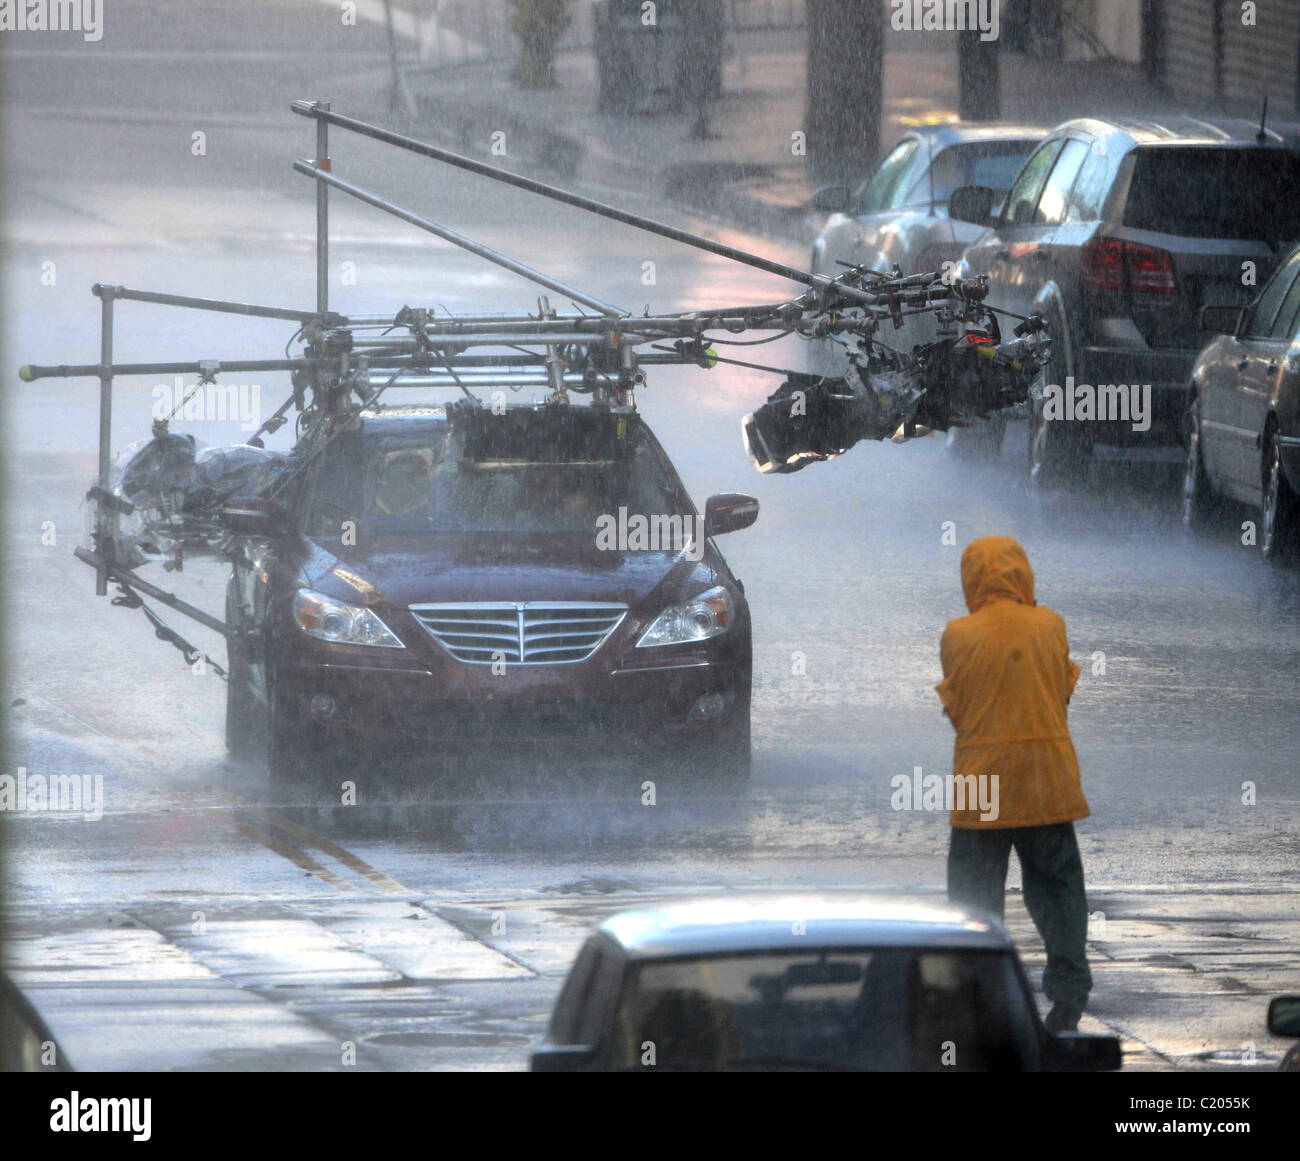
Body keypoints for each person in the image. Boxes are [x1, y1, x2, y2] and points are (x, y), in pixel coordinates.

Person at [935, 536, 1092, 1033]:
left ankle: (977, 996)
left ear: (971, 579)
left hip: (982, 783)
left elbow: (956, 709)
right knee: (1058, 888)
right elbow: (1061, 693)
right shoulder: (1052, 625)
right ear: (1023, 575)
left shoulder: (957, 634)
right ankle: (1067, 995)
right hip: (1046, 776)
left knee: (975, 896)